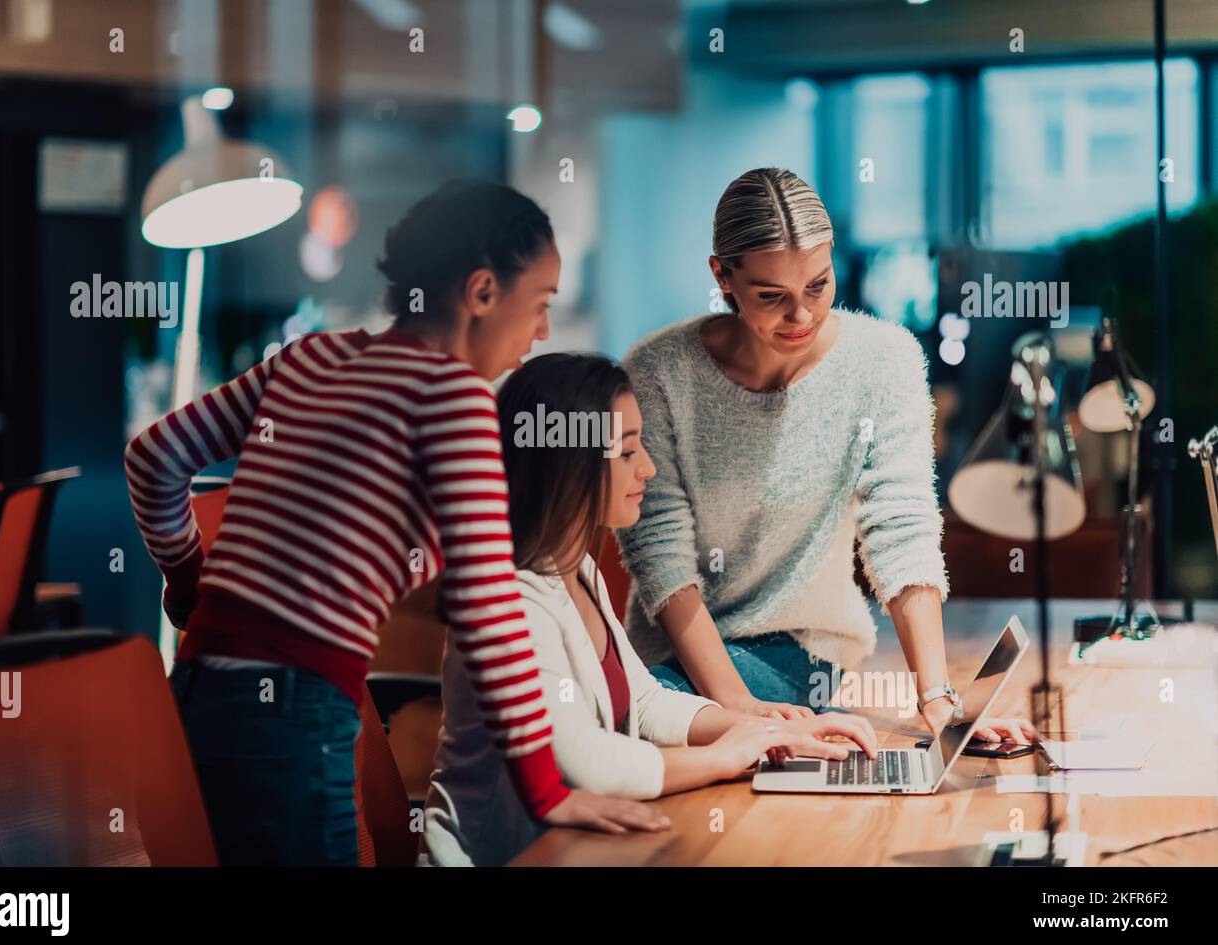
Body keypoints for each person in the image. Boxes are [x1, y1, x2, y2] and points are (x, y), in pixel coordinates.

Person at [125, 180, 667, 865]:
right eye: (538, 306)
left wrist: (186, 576)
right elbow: (490, 610)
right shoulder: (453, 400)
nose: (542, 332)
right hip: (295, 713)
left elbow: (153, 458)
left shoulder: (309, 359)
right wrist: (547, 794)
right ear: (480, 294)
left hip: (196, 697)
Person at [616, 167, 1035, 745]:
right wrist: (737, 706)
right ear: (722, 276)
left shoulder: (884, 361)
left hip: (798, 643)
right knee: (626, 727)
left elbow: (902, 526)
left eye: (817, 284)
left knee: (635, 734)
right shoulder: (659, 372)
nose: (802, 316)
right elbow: (659, 552)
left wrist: (938, 698)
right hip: (674, 649)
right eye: (772, 297)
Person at [420, 353, 877, 866]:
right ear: (567, 462)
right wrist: (721, 758)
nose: (649, 468)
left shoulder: (577, 571)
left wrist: (766, 731)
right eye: (627, 450)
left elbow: (644, 704)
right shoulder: (511, 597)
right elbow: (584, 765)